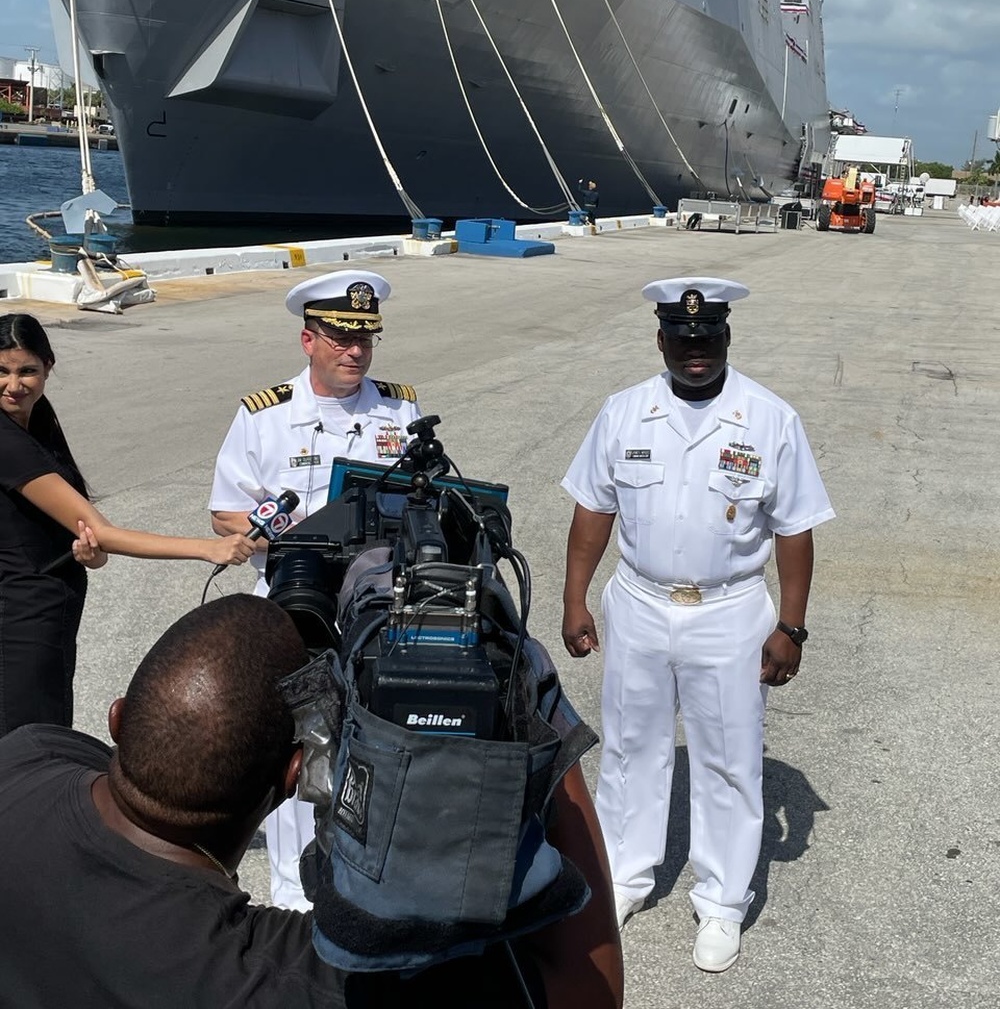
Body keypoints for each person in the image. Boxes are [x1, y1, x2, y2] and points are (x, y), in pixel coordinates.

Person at [0, 594, 623, 1008]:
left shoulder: (26, 757)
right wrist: (540, 722)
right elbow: (583, 991)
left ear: (116, 717)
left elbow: (151, 763)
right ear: (297, 775)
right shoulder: (271, 979)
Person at [559, 278, 834, 972]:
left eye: (708, 338)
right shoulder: (624, 413)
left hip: (730, 610)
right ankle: (625, 875)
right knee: (628, 747)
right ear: (661, 341)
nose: (696, 352)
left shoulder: (770, 419)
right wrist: (574, 598)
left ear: (726, 337)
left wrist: (792, 628)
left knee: (729, 759)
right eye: (683, 341)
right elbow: (593, 509)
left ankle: (721, 900)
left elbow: (796, 528)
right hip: (641, 602)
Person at [210, 270, 421, 909]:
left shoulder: (399, 407)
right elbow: (224, 510)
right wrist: (276, 526)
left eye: (365, 340)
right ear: (308, 340)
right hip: (296, 604)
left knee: (372, 730)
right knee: (299, 741)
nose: (354, 352)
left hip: (375, 603)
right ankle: (290, 897)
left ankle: (362, 880)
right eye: (339, 338)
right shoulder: (264, 416)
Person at [0, 313, 254, 738]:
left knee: (43, 737)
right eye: (2, 371)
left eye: (27, 371)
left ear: (49, 367)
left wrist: (89, 555)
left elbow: (85, 540)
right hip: (18, 623)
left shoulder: (38, 420)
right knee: (26, 749)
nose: (14, 385)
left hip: (49, 613)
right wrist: (209, 548)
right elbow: (102, 530)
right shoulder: (7, 442)